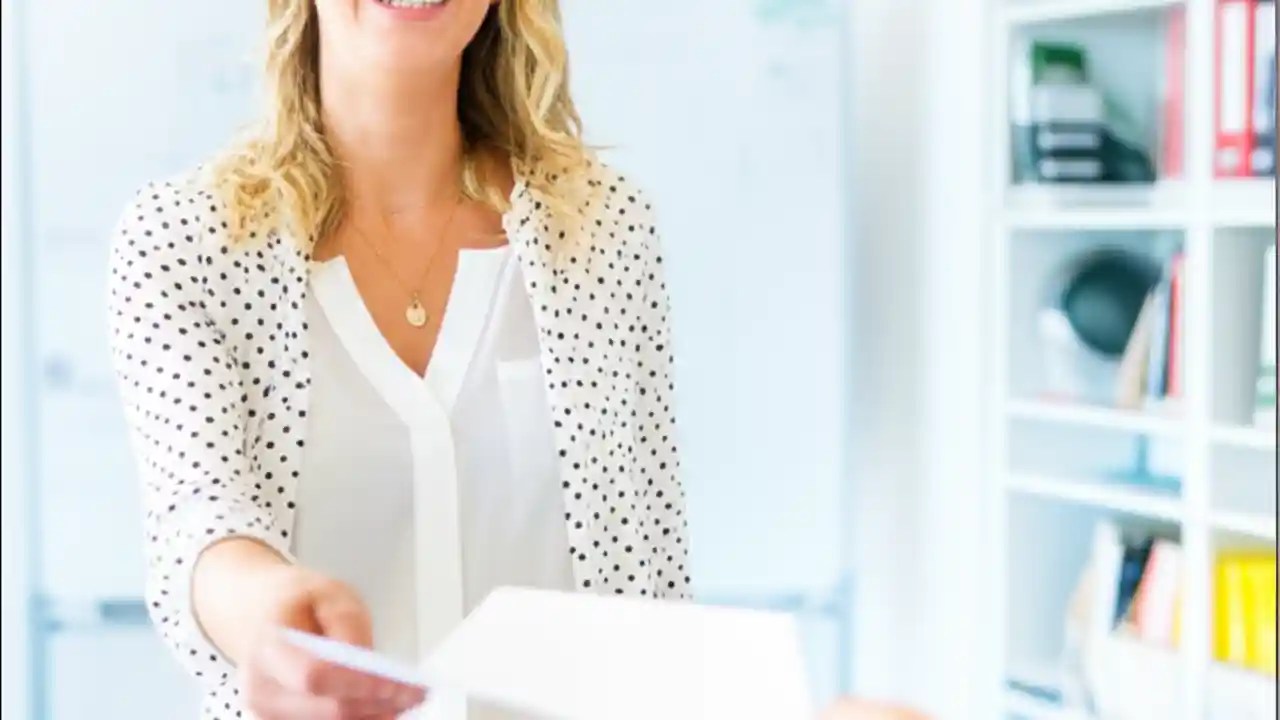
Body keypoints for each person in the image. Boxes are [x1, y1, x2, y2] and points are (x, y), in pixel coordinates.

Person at [107, 1, 687, 718]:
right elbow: (196, 520)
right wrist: (269, 610)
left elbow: (653, 572)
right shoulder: (184, 242)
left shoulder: (605, 230)